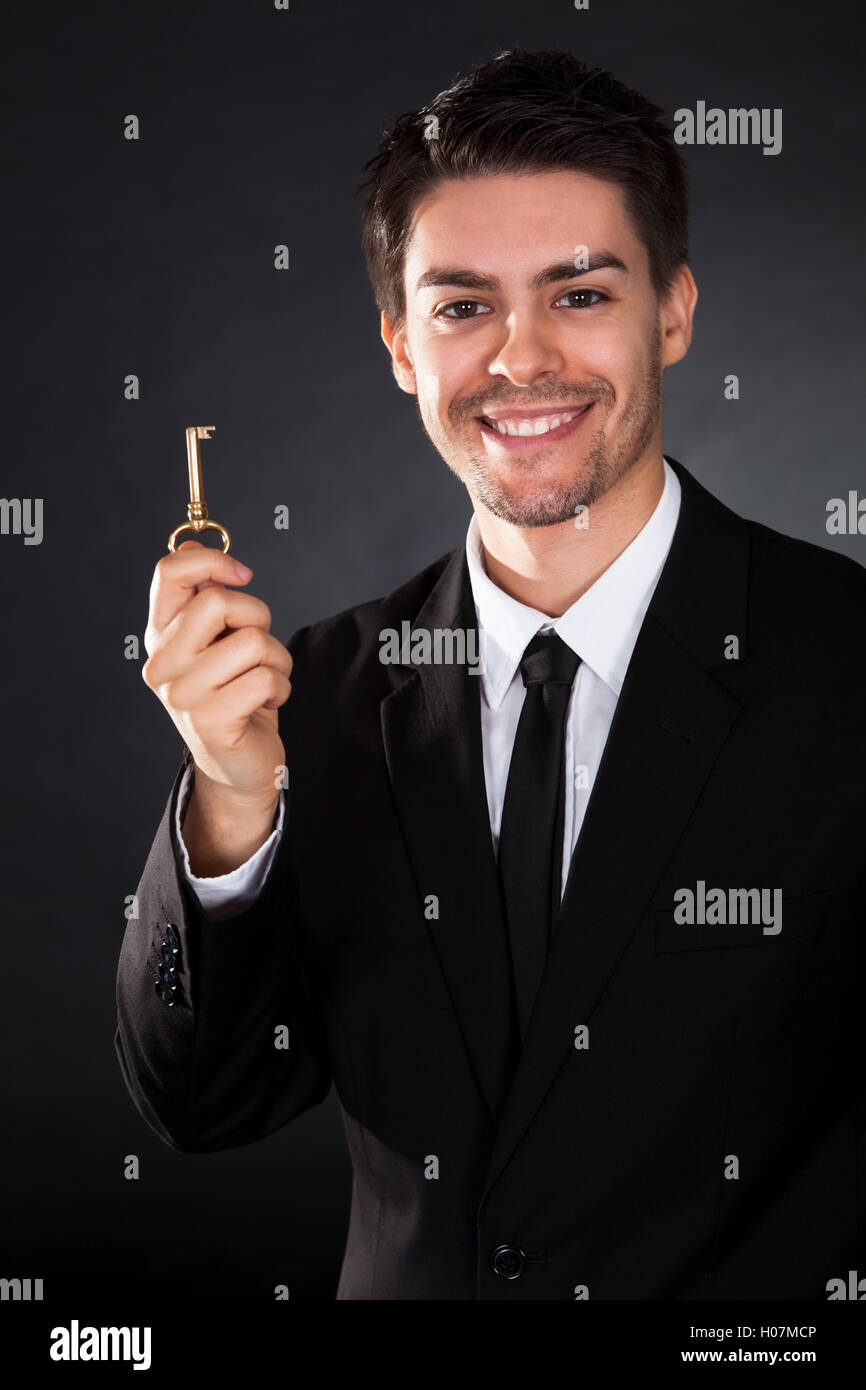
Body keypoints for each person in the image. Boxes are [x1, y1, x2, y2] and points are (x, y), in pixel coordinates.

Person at [115, 49, 866, 1300]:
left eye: (577, 294)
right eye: (462, 306)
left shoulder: (845, 663)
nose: (519, 359)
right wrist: (232, 801)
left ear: (673, 312)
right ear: (402, 345)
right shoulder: (319, 692)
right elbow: (204, 1105)